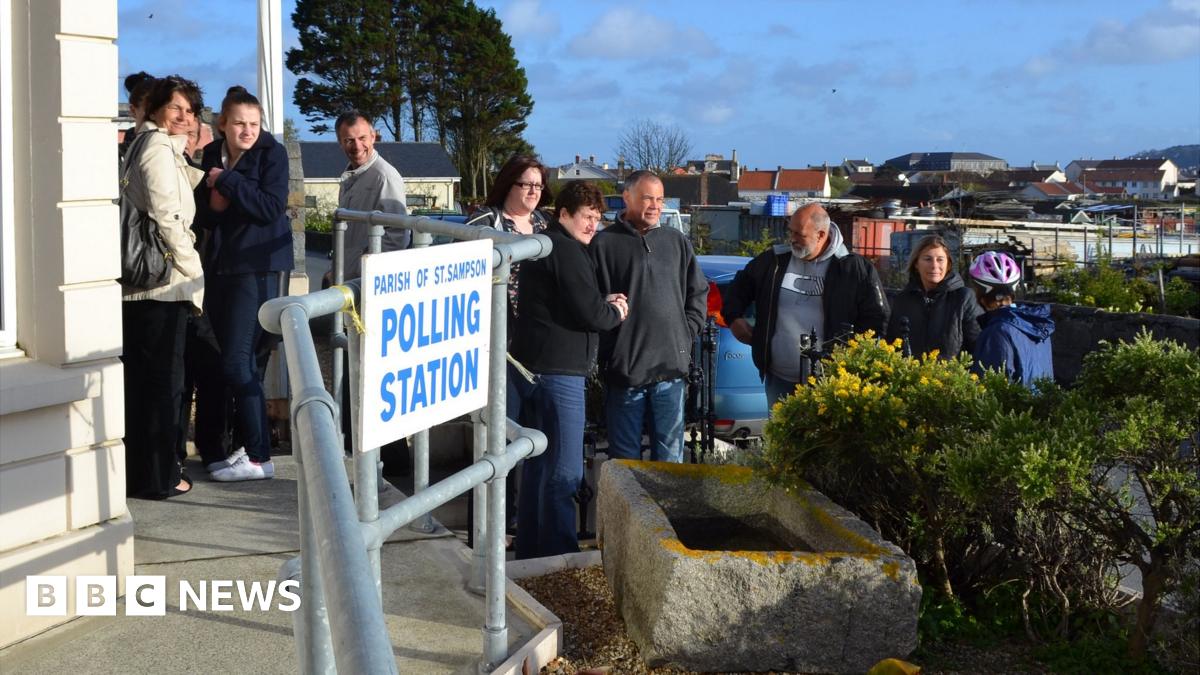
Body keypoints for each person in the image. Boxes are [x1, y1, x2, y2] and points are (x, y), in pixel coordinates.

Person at [511, 181, 628, 559]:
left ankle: (531, 552)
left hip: (532, 367)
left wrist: (598, 301)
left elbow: (565, 301)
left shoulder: (545, 246)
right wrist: (615, 311)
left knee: (536, 466)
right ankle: (560, 559)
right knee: (564, 472)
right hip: (560, 373)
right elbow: (589, 313)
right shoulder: (568, 250)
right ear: (564, 214)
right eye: (586, 217)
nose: (592, 225)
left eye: (597, 219)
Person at [193, 86, 293, 481]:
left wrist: (228, 184)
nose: (247, 131)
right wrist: (216, 202)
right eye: (239, 123)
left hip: (257, 268)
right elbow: (208, 217)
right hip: (222, 268)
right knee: (239, 361)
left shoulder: (273, 154)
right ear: (223, 124)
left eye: (253, 123)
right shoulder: (213, 154)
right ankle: (248, 449)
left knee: (239, 361)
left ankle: (257, 457)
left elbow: (270, 208)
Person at [120, 75, 206, 499]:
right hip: (163, 285)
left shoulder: (147, 143)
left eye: (190, 111)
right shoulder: (155, 146)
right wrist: (194, 273)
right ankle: (158, 478)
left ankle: (144, 474)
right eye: (176, 108)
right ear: (155, 108)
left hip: (145, 287)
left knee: (145, 385)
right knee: (161, 386)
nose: (184, 117)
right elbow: (168, 216)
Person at [590, 170, 707, 463]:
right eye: (647, 198)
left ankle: (666, 512)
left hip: (671, 372)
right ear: (627, 197)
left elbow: (698, 293)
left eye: (660, 199)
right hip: (625, 374)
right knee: (625, 467)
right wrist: (612, 351)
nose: (655, 206)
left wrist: (686, 331)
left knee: (670, 464)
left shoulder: (677, 241)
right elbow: (592, 303)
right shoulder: (603, 245)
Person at [724, 203, 889, 404]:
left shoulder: (853, 269)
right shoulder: (774, 261)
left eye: (799, 234)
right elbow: (739, 286)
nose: (792, 238)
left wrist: (851, 360)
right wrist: (734, 318)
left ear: (821, 235)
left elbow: (877, 318)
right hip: (779, 379)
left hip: (832, 383)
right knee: (780, 435)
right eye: (790, 231)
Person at [467, 155, 551, 539]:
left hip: (537, 347)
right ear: (508, 186)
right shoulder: (484, 224)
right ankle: (487, 523)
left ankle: (522, 517)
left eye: (538, 185)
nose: (533, 192)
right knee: (497, 434)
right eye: (526, 185)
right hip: (496, 348)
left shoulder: (547, 226)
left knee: (531, 437)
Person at [335, 110, 410, 281]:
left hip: (368, 283)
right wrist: (337, 269)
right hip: (349, 281)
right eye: (349, 140)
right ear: (340, 143)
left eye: (362, 138)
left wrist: (365, 272)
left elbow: (397, 237)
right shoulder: (351, 176)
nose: (357, 146)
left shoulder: (384, 177)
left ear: (373, 137)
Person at [967, 251, 1055, 387]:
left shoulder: (996, 332)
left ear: (981, 297)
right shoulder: (1037, 323)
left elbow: (989, 388)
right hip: (1042, 406)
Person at [885, 234, 981, 359]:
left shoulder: (963, 298)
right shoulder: (901, 301)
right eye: (927, 259)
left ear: (948, 264)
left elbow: (978, 345)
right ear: (916, 263)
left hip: (951, 377)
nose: (934, 266)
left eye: (940, 259)